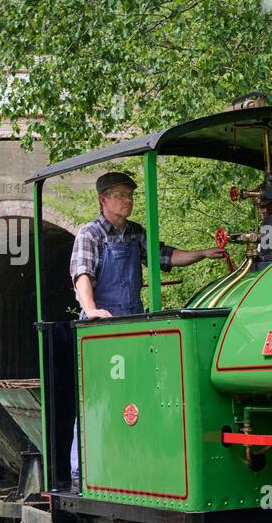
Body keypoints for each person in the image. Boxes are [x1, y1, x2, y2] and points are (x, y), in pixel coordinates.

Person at [69, 171, 227, 485]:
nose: (128, 201)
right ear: (104, 200)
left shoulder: (135, 234)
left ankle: (134, 464)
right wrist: (91, 310)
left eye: (130, 195)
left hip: (132, 323)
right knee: (96, 399)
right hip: (102, 327)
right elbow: (82, 275)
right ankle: (80, 470)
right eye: (121, 195)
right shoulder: (90, 234)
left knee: (140, 394)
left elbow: (165, 256)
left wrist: (202, 253)